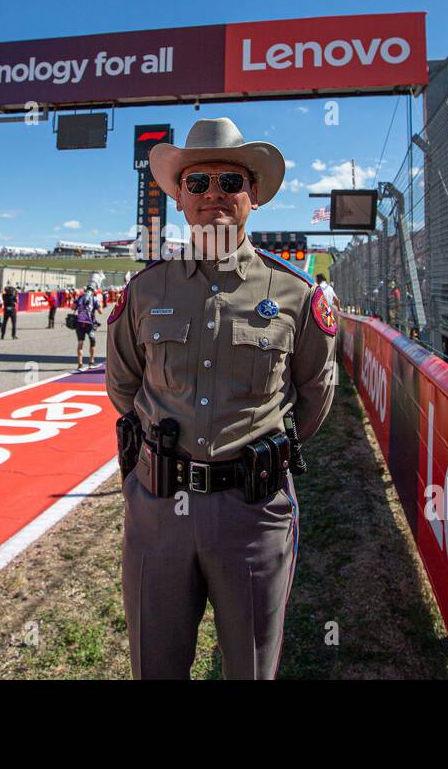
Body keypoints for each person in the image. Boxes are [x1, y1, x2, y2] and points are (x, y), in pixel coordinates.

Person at [105, 116, 336, 680]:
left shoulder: (296, 294)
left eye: (230, 183)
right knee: (155, 668)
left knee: (251, 670)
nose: (214, 196)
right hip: (159, 510)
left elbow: (313, 396)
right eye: (198, 183)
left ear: (253, 194)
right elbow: (122, 385)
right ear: (181, 198)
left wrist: (253, 456)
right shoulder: (145, 290)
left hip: (252, 514)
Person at [73, 284, 101, 371]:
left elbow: (73, 308)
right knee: (92, 342)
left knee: (80, 343)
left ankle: (80, 364)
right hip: (89, 324)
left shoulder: (80, 297)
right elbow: (101, 312)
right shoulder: (94, 298)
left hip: (80, 323)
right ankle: (91, 362)